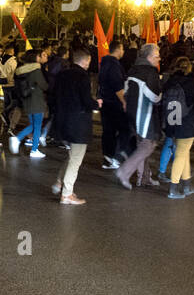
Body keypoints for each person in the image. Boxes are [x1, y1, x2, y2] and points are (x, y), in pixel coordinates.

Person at [50, 47, 99, 205]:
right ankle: (67, 194)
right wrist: (96, 104)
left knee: (72, 155)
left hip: (63, 120)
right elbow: (86, 100)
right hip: (78, 122)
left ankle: (60, 182)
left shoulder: (62, 74)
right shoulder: (83, 77)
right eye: (89, 61)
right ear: (84, 61)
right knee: (76, 158)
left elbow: (53, 96)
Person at [115, 43, 162, 189]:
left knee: (142, 144)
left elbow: (126, 90)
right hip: (145, 114)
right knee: (147, 145)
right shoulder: (150, 73)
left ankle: (144, 177)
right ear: (148, 57)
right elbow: (155, 97)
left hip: (132, 113)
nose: (159, 59)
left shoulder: (133, 70)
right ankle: (124, 172)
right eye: (156, 56)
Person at [162, 55, 194, 199]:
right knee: (181, 154)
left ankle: (186, 185)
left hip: (171, 121)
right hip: (187, 122)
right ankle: (173, 188)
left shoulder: (169, 82)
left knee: (183, 153)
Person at [8, 49, 48, 158]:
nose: (41, 58)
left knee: (33, 125)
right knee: (37, 126)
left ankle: (18, 139)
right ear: (35, 58)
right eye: (40, 56)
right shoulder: (36, 71)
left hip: (27, 101)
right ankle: (33, 149)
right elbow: (44, 86)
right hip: (37, 101)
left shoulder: (22, 70)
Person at [98, 40, 128, 168]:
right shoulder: (114, 65)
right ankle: (115, 157)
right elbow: (117, 87)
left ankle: (108, 157)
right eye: (122, 49)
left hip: (105, 102)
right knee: (123, 130)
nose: (123, 52)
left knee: (108, 131)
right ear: (118, 49)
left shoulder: (104, 63)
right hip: (114, 103)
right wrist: (124, 102)